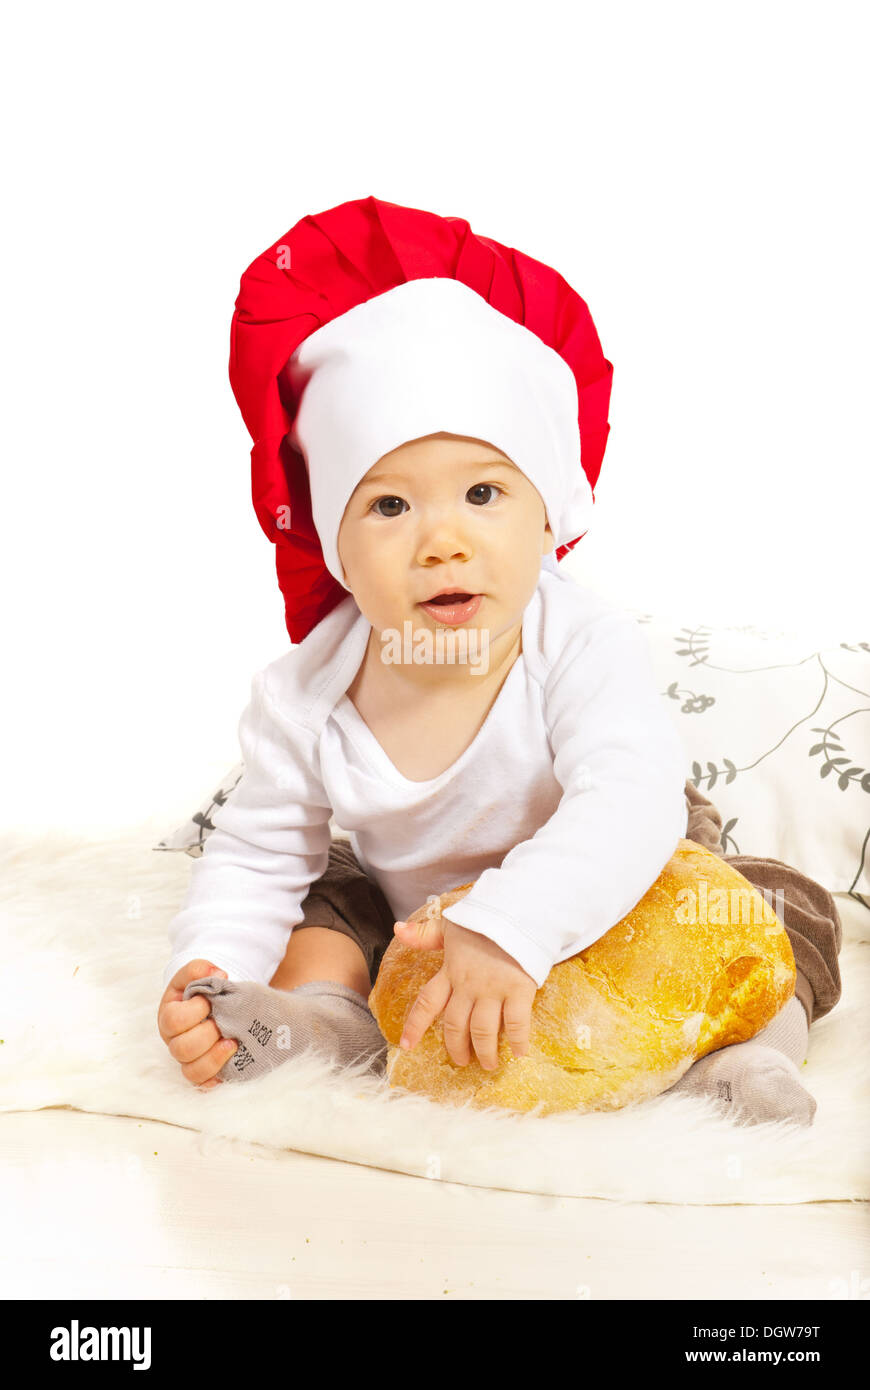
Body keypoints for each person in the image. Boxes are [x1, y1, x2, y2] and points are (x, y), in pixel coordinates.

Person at [156, 197, 841, 1127]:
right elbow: (256, 851)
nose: (442, 540)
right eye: (390, 507)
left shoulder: (577, 640)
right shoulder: (307, 693)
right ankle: (323, 1026)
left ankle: (750, 1060)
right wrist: (209, 960)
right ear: (337, 548)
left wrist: (514, 927)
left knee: (769, 907)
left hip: (620, 882)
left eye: (483, 492)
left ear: (549, 519)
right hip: (423, 919)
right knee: (327, 892)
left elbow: (629, 796)